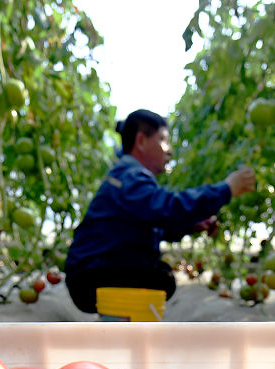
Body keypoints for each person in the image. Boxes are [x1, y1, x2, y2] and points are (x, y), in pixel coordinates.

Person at [64, 109, 256, 314]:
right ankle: (120, 322)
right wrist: (225, 190)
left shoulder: (124, 176)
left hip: (90, 273)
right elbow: (166, 208)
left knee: (158, 276)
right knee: (160, 278)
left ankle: (117, 322)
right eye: (163, 140)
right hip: (95, 276)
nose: (169, 150)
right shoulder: (130, 177)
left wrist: (190, 226)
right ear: (141, 141)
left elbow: (142, 227)